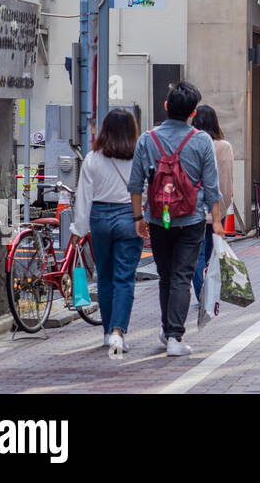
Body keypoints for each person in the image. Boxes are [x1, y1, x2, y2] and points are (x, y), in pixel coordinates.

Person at [128, 81, 224, 358]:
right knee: (182, 276)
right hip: (191, 219)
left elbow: (135, 184)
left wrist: (138, 217)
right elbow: (211, 186)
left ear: (166, 106)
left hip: (159, 219)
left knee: (166, 277)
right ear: (193, 113)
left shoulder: (147, 139)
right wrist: (216, 221)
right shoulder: (202, 140)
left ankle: (166, 328)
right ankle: (174, 336)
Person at [71, 108, 141, 354]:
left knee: (105, 276)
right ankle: (118, 332)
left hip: (99, 217)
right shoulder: (138, 157)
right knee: (124, 277)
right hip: (129, 217)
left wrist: (79, 228)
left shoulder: (92, 158)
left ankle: (107, 332)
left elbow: (83, 196)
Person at [190, 104, 233, 302]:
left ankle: (201, 293)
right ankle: (204, 292)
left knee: (197, 255)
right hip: (218, 209)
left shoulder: (191, 144)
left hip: (195, 208)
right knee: (209, 252)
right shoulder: (225, 147)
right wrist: (224, 205)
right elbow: (227, 180)